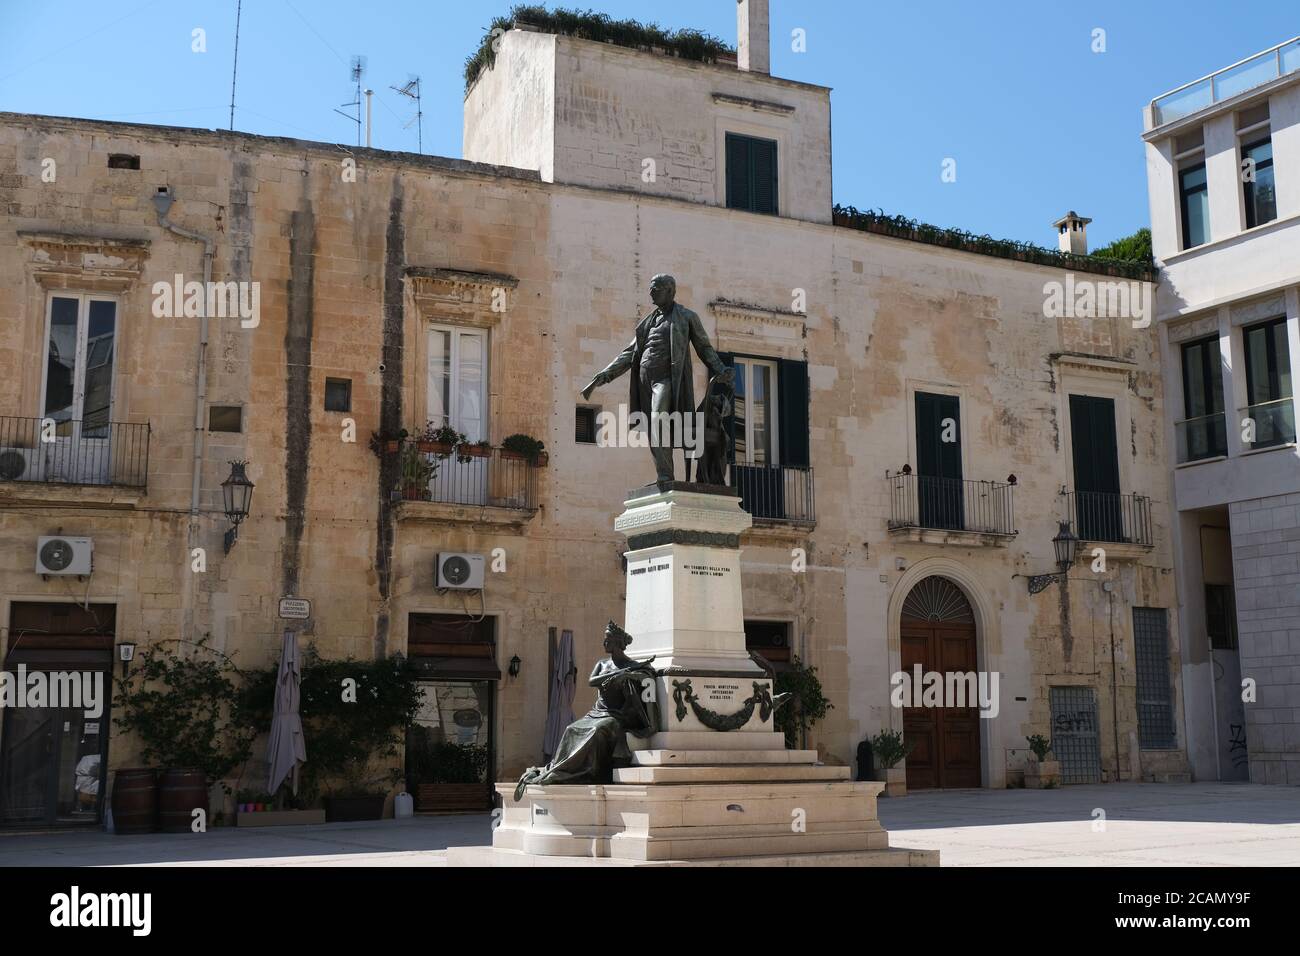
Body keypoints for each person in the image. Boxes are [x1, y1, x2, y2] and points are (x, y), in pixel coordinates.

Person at [582, 274, 731, 485]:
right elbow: (628, 354)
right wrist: (605, 374)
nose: (651, 292)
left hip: (668, 380)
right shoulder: (647, 323)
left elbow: (704, 347)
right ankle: (664, 475)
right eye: (651, 288)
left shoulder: (686, 317)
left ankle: (665, 476)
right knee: (652, 426)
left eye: (656, 288)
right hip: (645, 382)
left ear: (670, 291)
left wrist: (720, 368)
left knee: (658, 419)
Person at [514, 622, 657, 800]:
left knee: (596, 731)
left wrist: (628, 674)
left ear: (618, 642)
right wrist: (618, 674)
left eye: (608, 640)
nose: (604, 643)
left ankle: (579, 770)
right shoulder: (602, 664)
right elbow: (592, 681)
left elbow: (647, 675)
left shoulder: (631, 666)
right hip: (597, 711)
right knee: (571, 729)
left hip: (616, 715)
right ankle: (559, 769)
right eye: (605, 640)